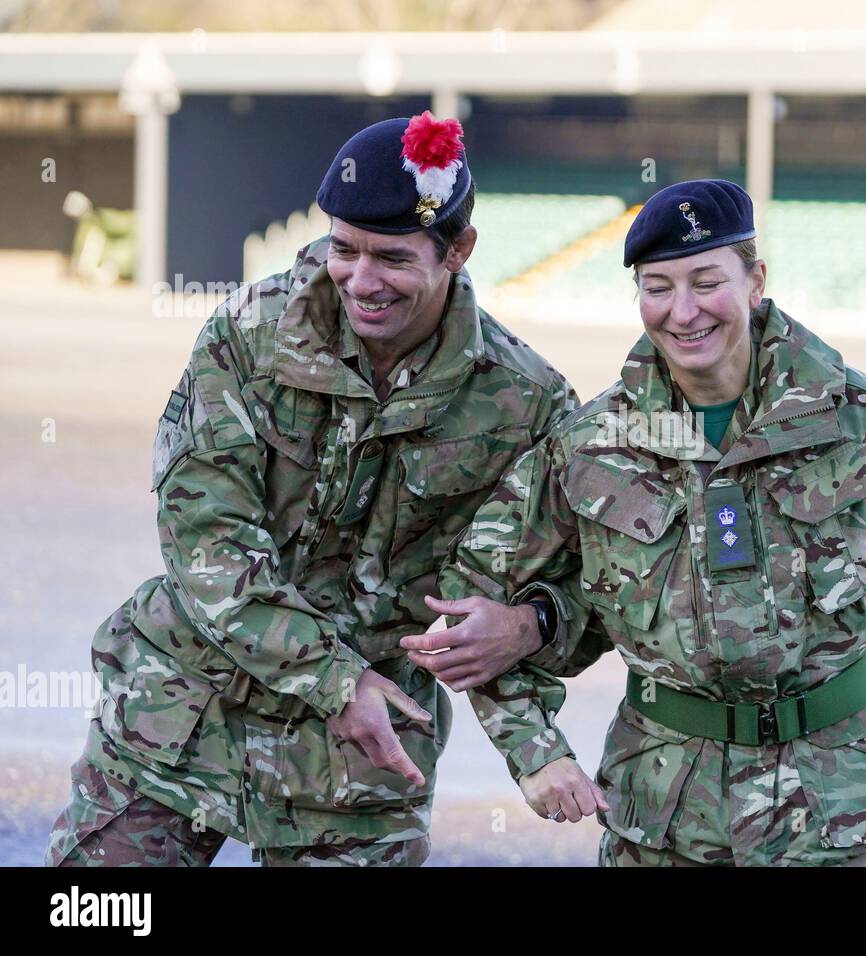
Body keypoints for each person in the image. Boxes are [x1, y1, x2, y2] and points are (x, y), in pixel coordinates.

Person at [45, 112, 573, 867]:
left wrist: (532, 626)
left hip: (359, 761)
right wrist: (332, 677)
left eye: (391, 258)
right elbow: (207, 540)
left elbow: (562, 580)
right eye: (344, 248)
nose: (360, 279)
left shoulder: (525, 403)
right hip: (183, 714)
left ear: (457, 251)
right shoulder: (249, 336)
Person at [414, 179, 866, 866]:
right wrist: (534, 753)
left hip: (838, 810)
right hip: (666, 817)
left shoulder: (865, 421)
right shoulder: (592, 445)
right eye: (657, 287)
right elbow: (475, 598)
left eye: (707, 282)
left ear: (755, 280)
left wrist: (838, 674)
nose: (683, 312)